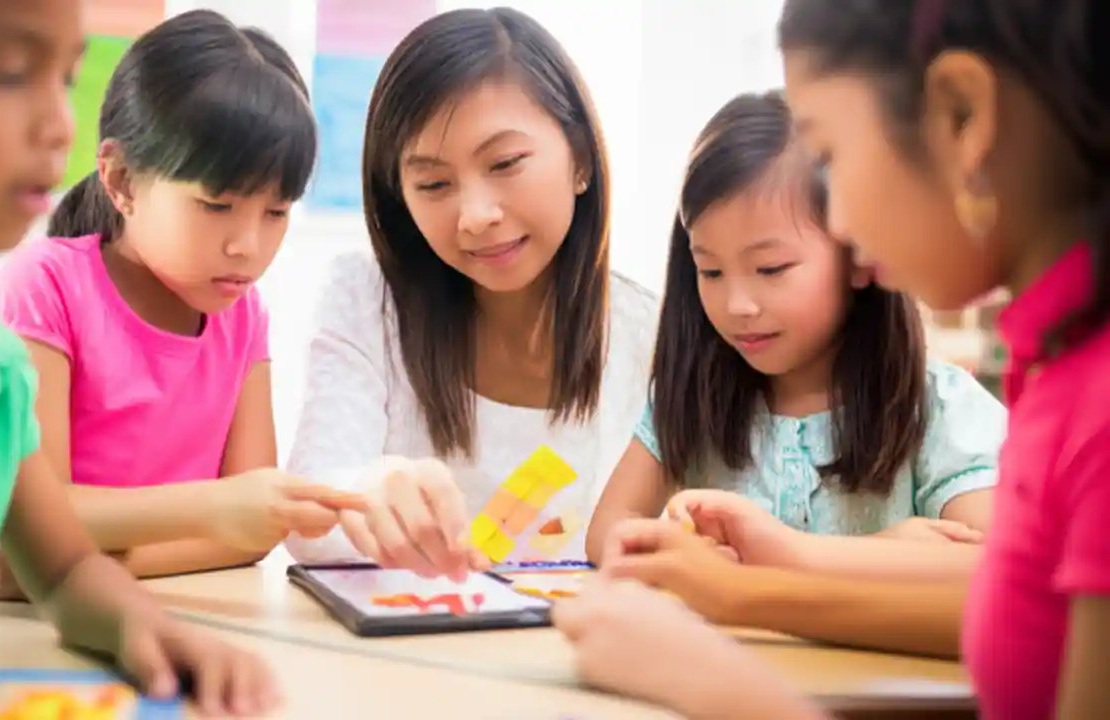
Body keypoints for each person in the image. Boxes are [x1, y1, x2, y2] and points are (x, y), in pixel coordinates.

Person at [556, 1, 1110, 718]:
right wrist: (774, 572)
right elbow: (1004, 600)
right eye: (712, 269)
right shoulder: (1059, 373)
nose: (841, 222)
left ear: (962, 115)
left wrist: (720, 688)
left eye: (830, 155)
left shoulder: (1085, 407)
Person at [0, 3, 301, 714]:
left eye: (68, 78)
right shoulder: (38, 293)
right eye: (10, 72)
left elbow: (64, 568)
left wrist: (151, 630)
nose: (60, 125)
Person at [0, 11, 365, 597]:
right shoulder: (45, 285)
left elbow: (253, 532)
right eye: (216, 205)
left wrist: (67, 567)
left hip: (171, 607)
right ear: (122, 180)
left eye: (276, 212)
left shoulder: (242, 314)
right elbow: (36, 512)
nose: (247, 246)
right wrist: (215, 510)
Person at [284, 7, 658, 578]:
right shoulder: (367, 300)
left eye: (505, 163)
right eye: (434, 184)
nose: (476, 215)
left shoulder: (647, 334)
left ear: (580, 158)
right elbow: (310, 518)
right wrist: (368, 491)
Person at [587, 91, 1002, 584]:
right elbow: (607, 532)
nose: (738, 303)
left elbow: (989, 563)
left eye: (771, 268)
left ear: (858, 253)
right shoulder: (691, 399)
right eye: (711, 271)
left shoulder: (939, 407)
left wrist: (773, 558)